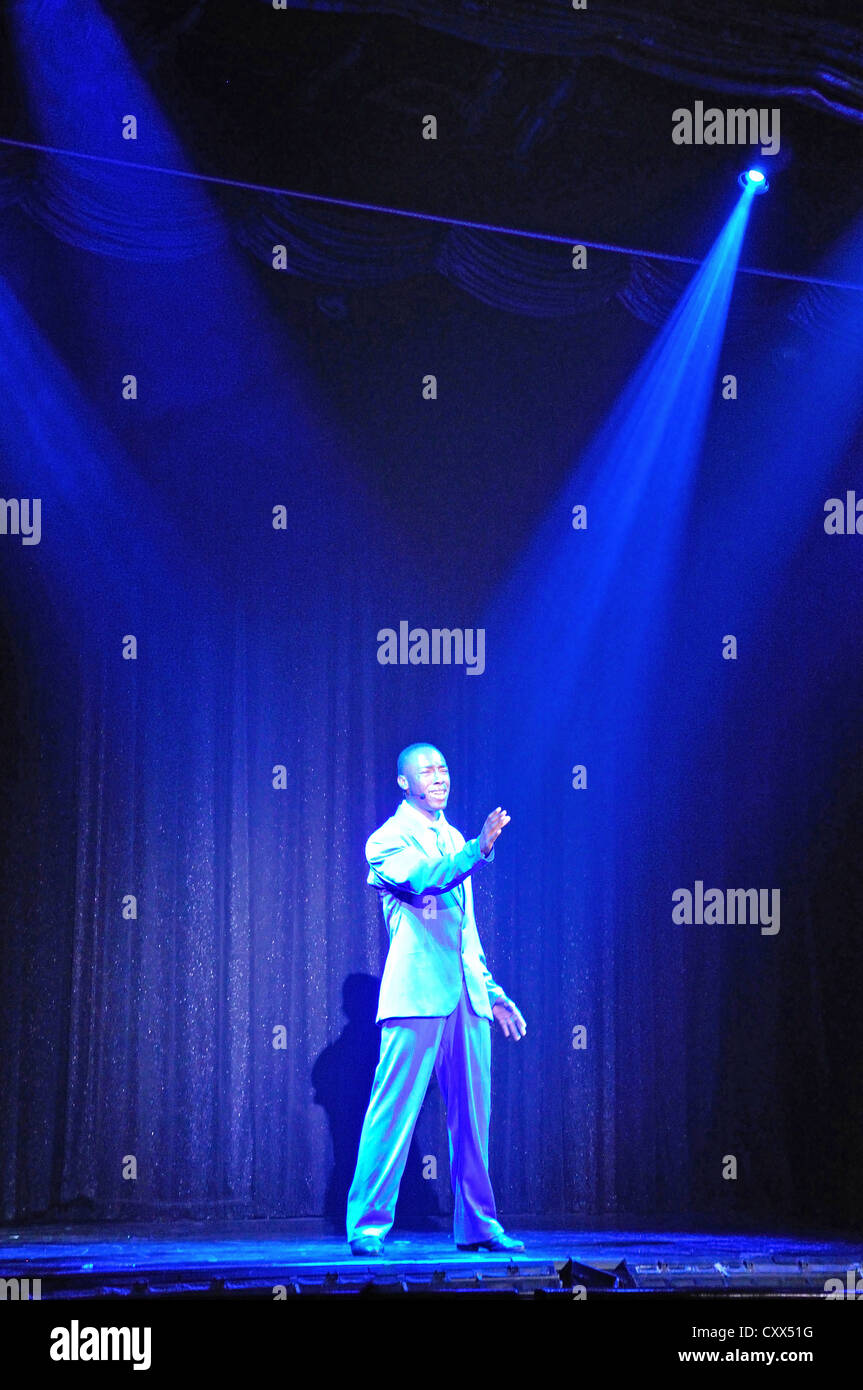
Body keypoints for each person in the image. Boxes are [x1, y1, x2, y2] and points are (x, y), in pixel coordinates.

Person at [346, 743, 527, 1256]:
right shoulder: (386, 840)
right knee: (393, 1114)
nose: (439, 776)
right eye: (426, 770)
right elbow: (427, 880)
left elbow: (466, 934)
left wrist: (491, 992)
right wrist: (477, 850)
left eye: (444, 767)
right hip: (416, 996)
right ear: (404, 782)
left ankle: (479, 1225)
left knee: (473, 1121)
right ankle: (368, 1225)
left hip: (466, 1000)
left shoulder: (453, 837)